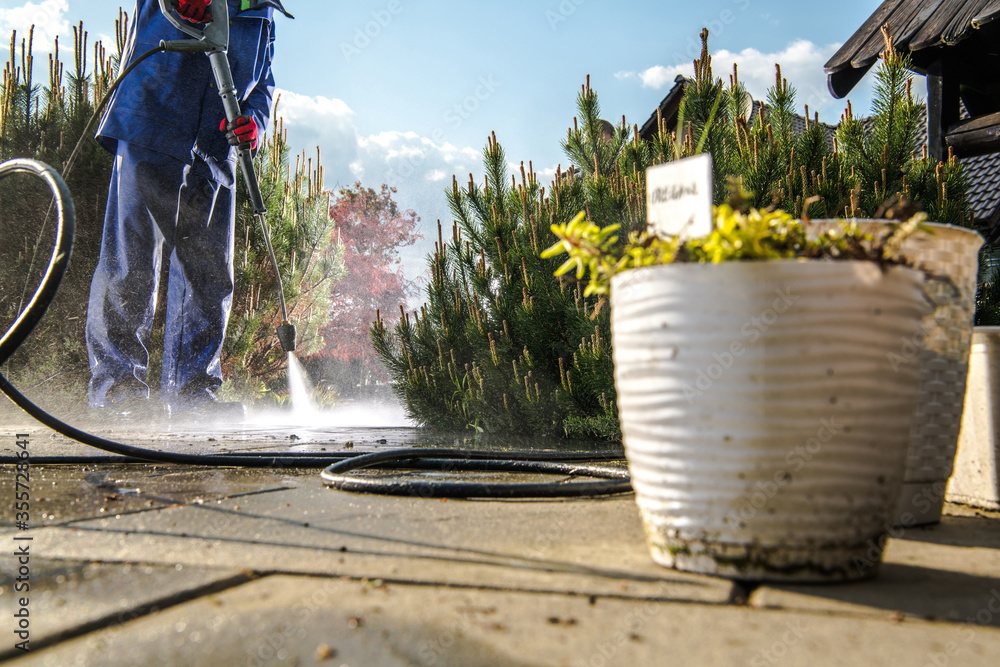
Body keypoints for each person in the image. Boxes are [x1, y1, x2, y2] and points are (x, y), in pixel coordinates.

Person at [86, 0, 292, 419]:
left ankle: (193, 393)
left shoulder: (264, 11)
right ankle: (117, 390)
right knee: (131, 260)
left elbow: (264, 77)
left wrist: (255, 119)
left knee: (209, 272)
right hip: (152, 118)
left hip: (215, 149)